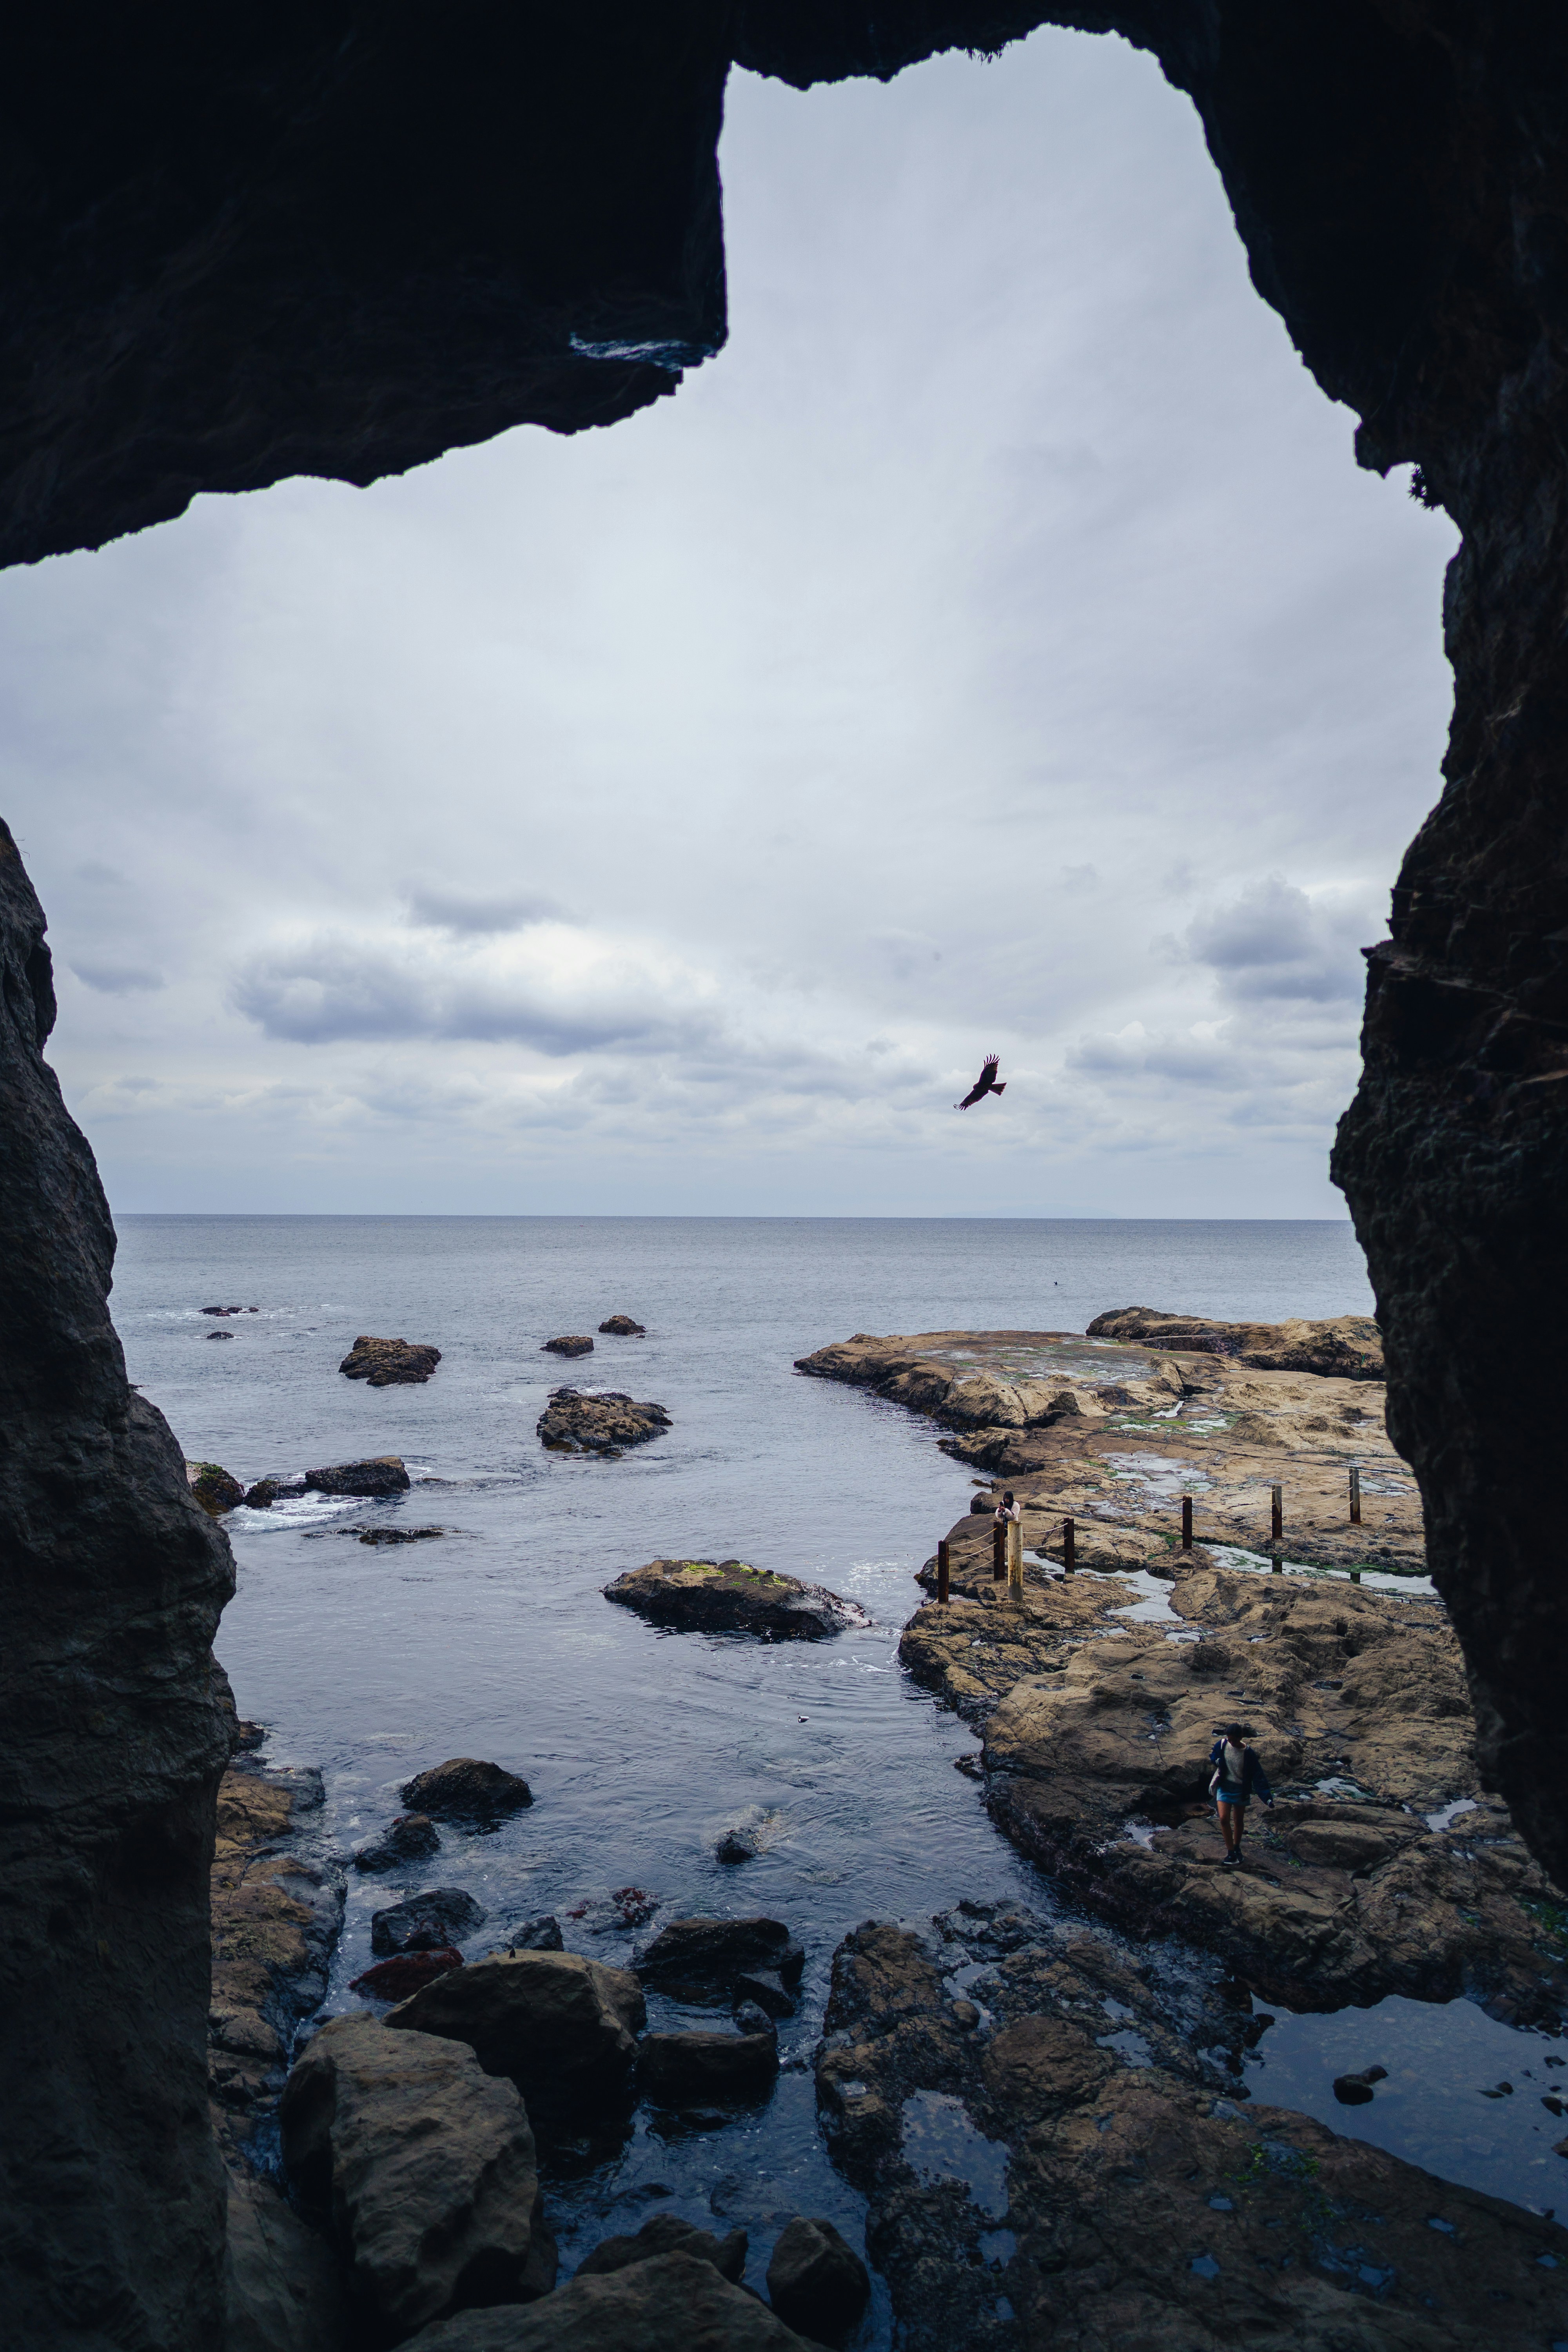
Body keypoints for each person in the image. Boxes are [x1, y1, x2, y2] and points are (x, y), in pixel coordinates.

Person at [1209, 1721, 1272, 1867]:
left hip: (1240, 1790)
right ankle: (1231, 1853)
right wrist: (1217, 1760)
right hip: (1224, 1787)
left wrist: (1267, 1798)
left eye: (1235, 1740)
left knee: (1238, 1821)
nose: (1232, 1743)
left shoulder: (1248, 1753)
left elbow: (1258, 1776)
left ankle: (1237, 1848)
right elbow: (1213, 1755)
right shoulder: (1222, 1745)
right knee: (1224, 1819)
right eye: (1230, 1739)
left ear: (1241, 1737)